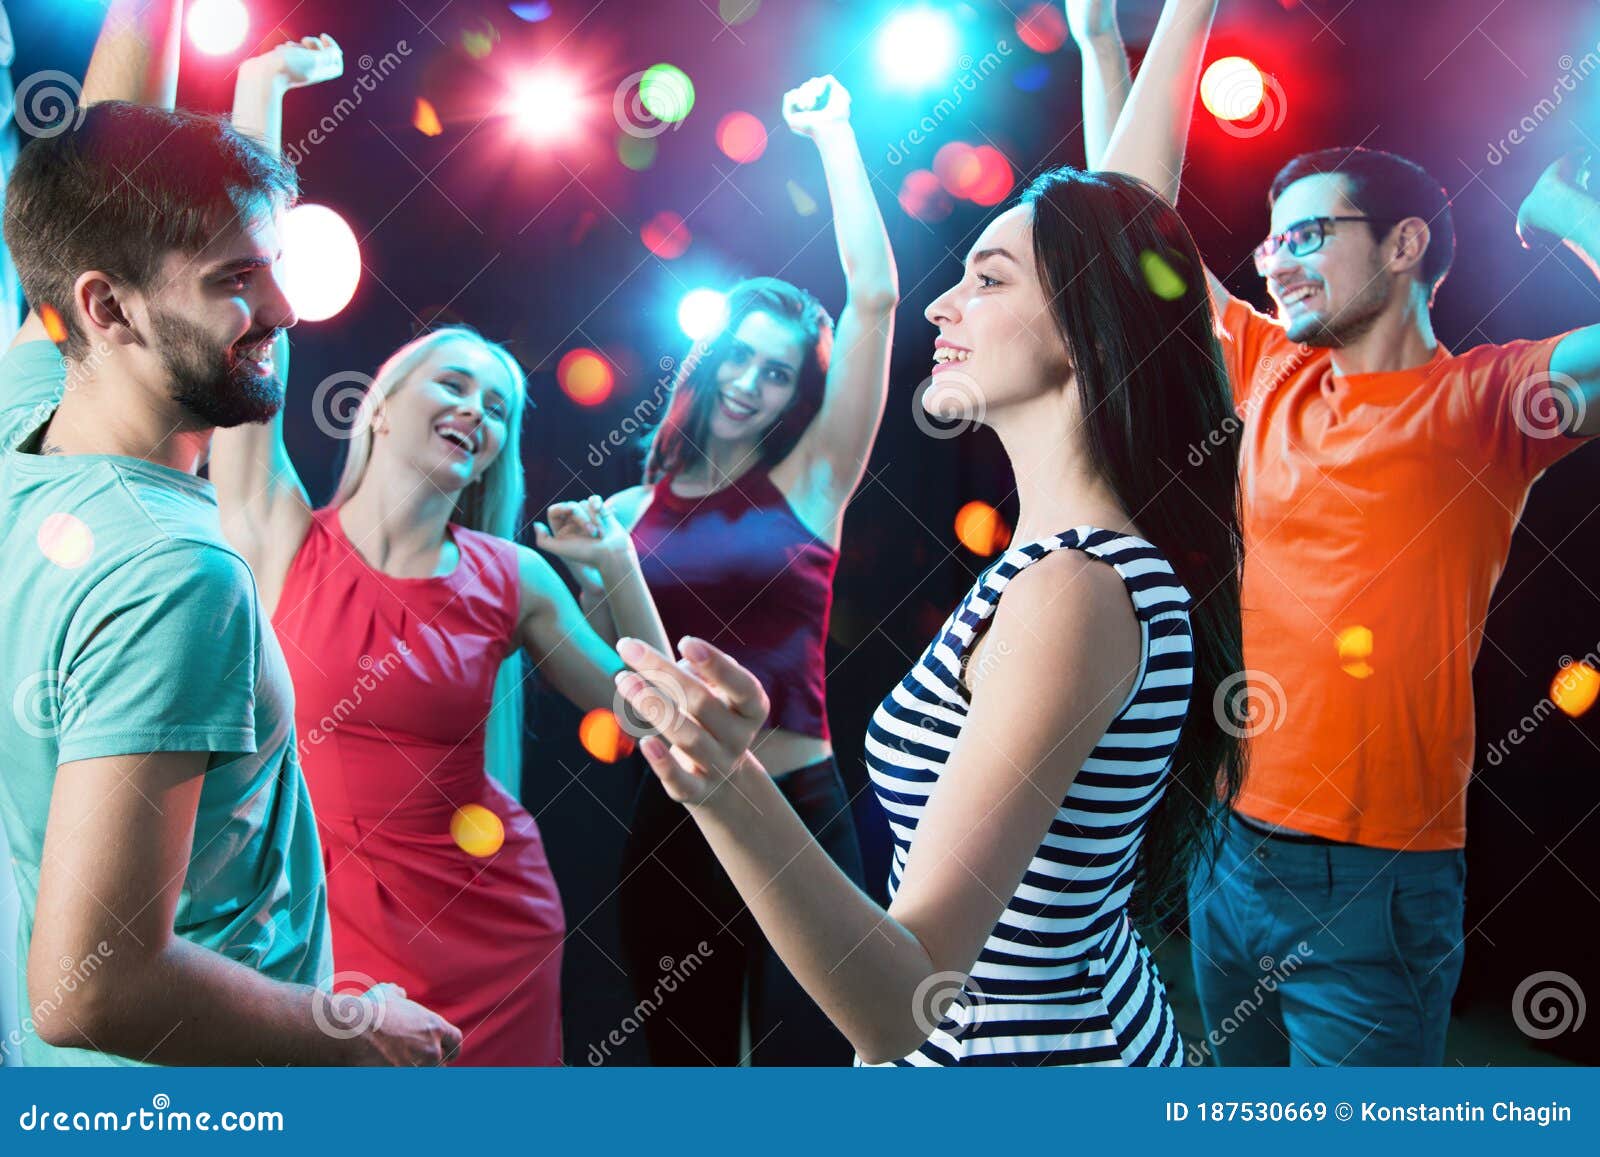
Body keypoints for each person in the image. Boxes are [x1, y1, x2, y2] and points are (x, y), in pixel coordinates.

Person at [612, 152, 1247, 1065]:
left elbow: (900, 1004)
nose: (942, 307)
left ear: (1089, 329)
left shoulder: (1073, 591)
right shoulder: (1049, 566)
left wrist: (723, 778)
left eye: (987, 279)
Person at [1077, 0, 1600, 1064]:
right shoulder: (1268, 367)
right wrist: (1129, 35)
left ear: (1405, 244)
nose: (1274, 261)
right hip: (1230, 851)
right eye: (1271, 240)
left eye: (1309, 234)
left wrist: (1570, 209)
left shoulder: (1487, 402)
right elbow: (1119, 221)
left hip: (1376, 880)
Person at [0, 2, 456, 1065]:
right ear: (105, 310)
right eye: (233, 281)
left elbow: (110, 141)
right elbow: (94, 986)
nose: (286, 309)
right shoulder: (173, 577)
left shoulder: (28, 409)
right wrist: (351, 1029)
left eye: (271, 265)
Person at [213, 37, 672, 1065]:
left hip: (495, 938)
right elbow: (244, 312)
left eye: (499, 406)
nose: (478, 410)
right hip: (317, 932)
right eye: (455, 384)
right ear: (379, 404)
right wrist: (261, 95)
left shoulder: (512, 577)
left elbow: (644, 720)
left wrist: (620, 570)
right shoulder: (285, 531)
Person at [543, 76, 896, 1065]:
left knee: (828, 1071)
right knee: (692, 1075)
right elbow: (636, 691)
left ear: (800, 390)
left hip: (802, 815)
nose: (749, 383)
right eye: (740, 357)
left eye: (776, 370)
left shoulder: (814, 478)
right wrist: (604, 566)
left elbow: (872, 297)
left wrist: (831, 130)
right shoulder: (622, 514)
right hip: (676, 821)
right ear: (709, 359)